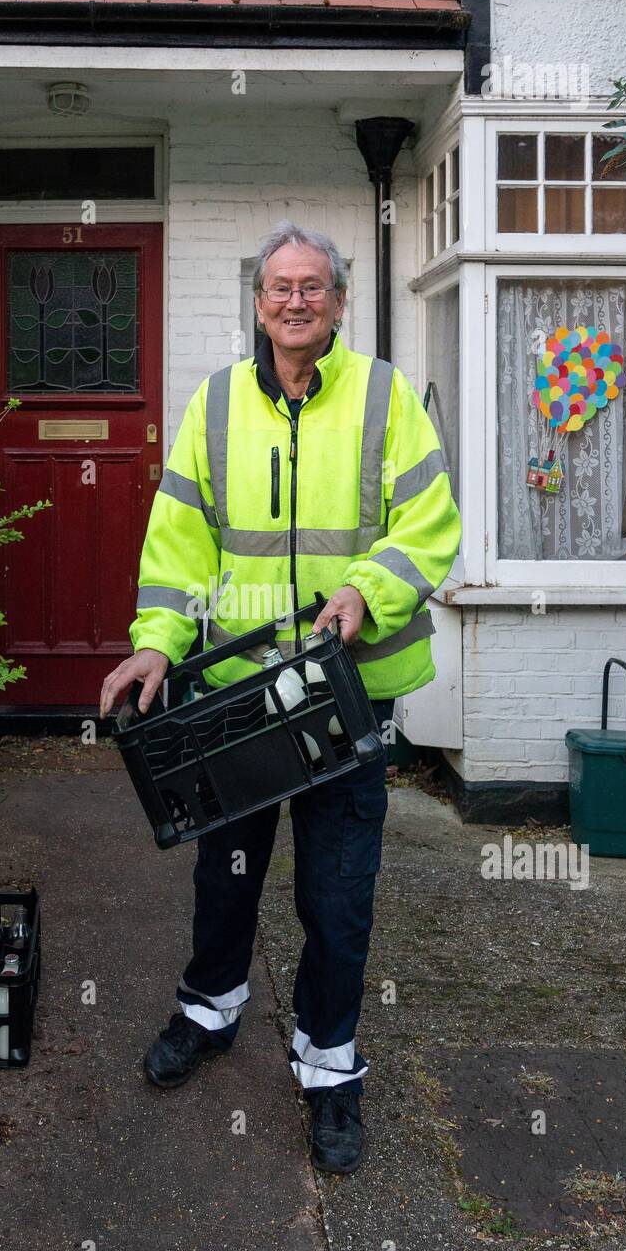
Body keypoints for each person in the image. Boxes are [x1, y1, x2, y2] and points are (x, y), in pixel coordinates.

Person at [100, 221, 461, 1174]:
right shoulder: (215, 404)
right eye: (277, 287)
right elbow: (178, 547)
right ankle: (210, 1009)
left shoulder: (385, 397)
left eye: (312, 287)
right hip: (241, 700)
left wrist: (366, 592)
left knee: (337, 898)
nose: (294, 301)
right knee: (225, 878)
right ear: (257, 303)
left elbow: (429, 527)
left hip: (350, 701)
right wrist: (151, 648)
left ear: (339, 302)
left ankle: (329, 1063)